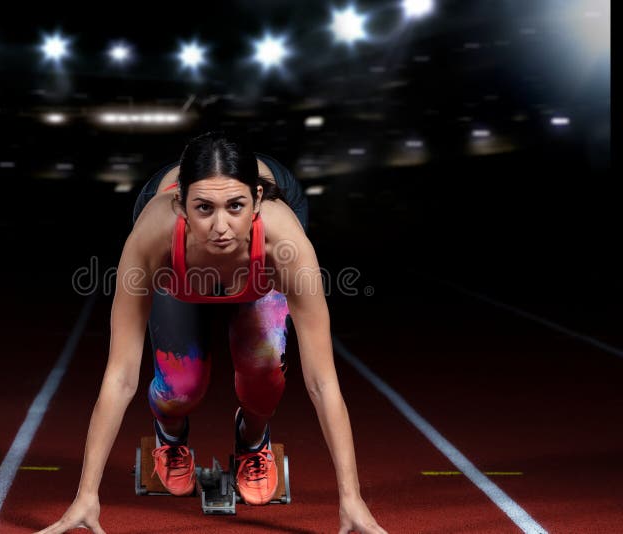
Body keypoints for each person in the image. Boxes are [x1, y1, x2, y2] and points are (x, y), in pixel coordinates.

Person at [36, 132, 387, 534]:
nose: (221, 227)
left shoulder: (285, 246)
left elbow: (322, 382)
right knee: (181, 385)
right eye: (204, 208)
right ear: (181, 204)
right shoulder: (152, 240)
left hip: (261, 250)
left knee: (263, 373)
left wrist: (351, 499)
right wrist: (86, 495)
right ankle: (170, 436)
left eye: (236, 206)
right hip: (179, 256)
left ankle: (252, 441)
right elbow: (121, 375)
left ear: (257, 200)